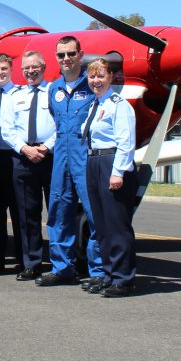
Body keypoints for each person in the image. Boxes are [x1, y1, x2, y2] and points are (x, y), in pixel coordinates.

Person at [39, 36, 103, 287]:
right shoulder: (53, 89)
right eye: (61, 55)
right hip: (61, 157)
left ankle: (99, 271)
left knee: (94, 213)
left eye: (71, 54)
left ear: (80, 55)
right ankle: (62, 268)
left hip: (84, 158)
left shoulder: (92, 85)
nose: (66, 59)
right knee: (58, 212)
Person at [82, 57, 138, 297]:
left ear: (111, 77)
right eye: (92, 76)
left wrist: (117, 173)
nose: (96, 81)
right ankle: (109, 274)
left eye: (101, 76)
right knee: (102, 225)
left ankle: (123, 279)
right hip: (95, 161)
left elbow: (126, 142)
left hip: (111, 162)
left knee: (116, 225)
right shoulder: (95, 105)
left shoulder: (119, 105)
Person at [2, 51, 57, 281]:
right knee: (27, 214)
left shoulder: (54, 92)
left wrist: (46, 147)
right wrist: (25, 149)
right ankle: (31, 263)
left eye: (34, 67)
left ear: (43, 67)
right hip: (23, 158)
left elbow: (62, 124)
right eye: (26, 68)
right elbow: (7, 128)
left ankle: (60, 264)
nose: (30, 71)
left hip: (50, 157)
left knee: (56, 212)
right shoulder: (15, 96)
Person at [0, 53, 20, 272]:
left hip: (14, 155)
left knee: (18, 209)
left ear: (10, 69)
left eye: (3, 69)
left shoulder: (19, 94)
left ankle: (24, 259)